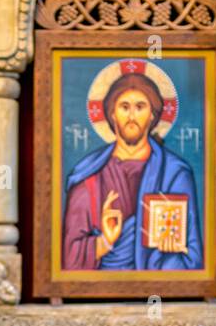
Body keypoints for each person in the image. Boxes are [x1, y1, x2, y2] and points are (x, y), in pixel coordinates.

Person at [62, 68, 201, 271]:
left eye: (140, 107)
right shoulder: (89, 177)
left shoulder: (175, 173)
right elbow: (68, 259)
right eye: (124, 107)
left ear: (152, 115)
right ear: (112, 114)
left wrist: (170, 256)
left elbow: (194, 259)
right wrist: (104, 242)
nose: (132, 116)